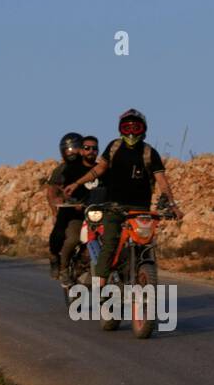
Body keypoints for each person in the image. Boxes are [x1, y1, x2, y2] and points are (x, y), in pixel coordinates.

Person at [62, 109, 182, 286]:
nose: (132, 132)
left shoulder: (150, 153)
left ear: (143, 129)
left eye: (136, 127)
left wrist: (172, 204)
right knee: (110, 243)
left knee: (146, 243)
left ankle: (144, 275)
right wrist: (77, 183)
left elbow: (162, 181)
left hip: (140, 209)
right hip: (115, 206)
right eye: (127, 128)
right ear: (121, 129)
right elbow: (99, 169)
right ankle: (100, 286)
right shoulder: (114, 147)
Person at [45, 131, 92, 279]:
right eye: (68, 149)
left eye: (75, 148)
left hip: (92, 210)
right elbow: (51, 191)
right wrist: (55, 210)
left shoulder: (94, 167)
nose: (72, 152)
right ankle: (55, 258)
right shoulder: (61, 169)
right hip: (70, 211)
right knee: (62, 234)